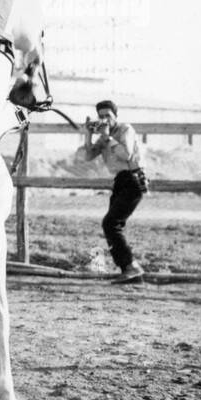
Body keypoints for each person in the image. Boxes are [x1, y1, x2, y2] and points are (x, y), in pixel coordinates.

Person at [78, 99, 149, 281]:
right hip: (120, 181)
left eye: (108, 116)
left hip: (133, 179)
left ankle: (130, 266)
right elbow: (87, 156)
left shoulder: (125, 130)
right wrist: (88, 135)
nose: (104, 120)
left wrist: (108, 137)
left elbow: (126, 154)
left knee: (111, 223)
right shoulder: (104, 137)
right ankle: (128, 270)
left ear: (115, 116)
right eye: (100, 116)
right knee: (112, 225)